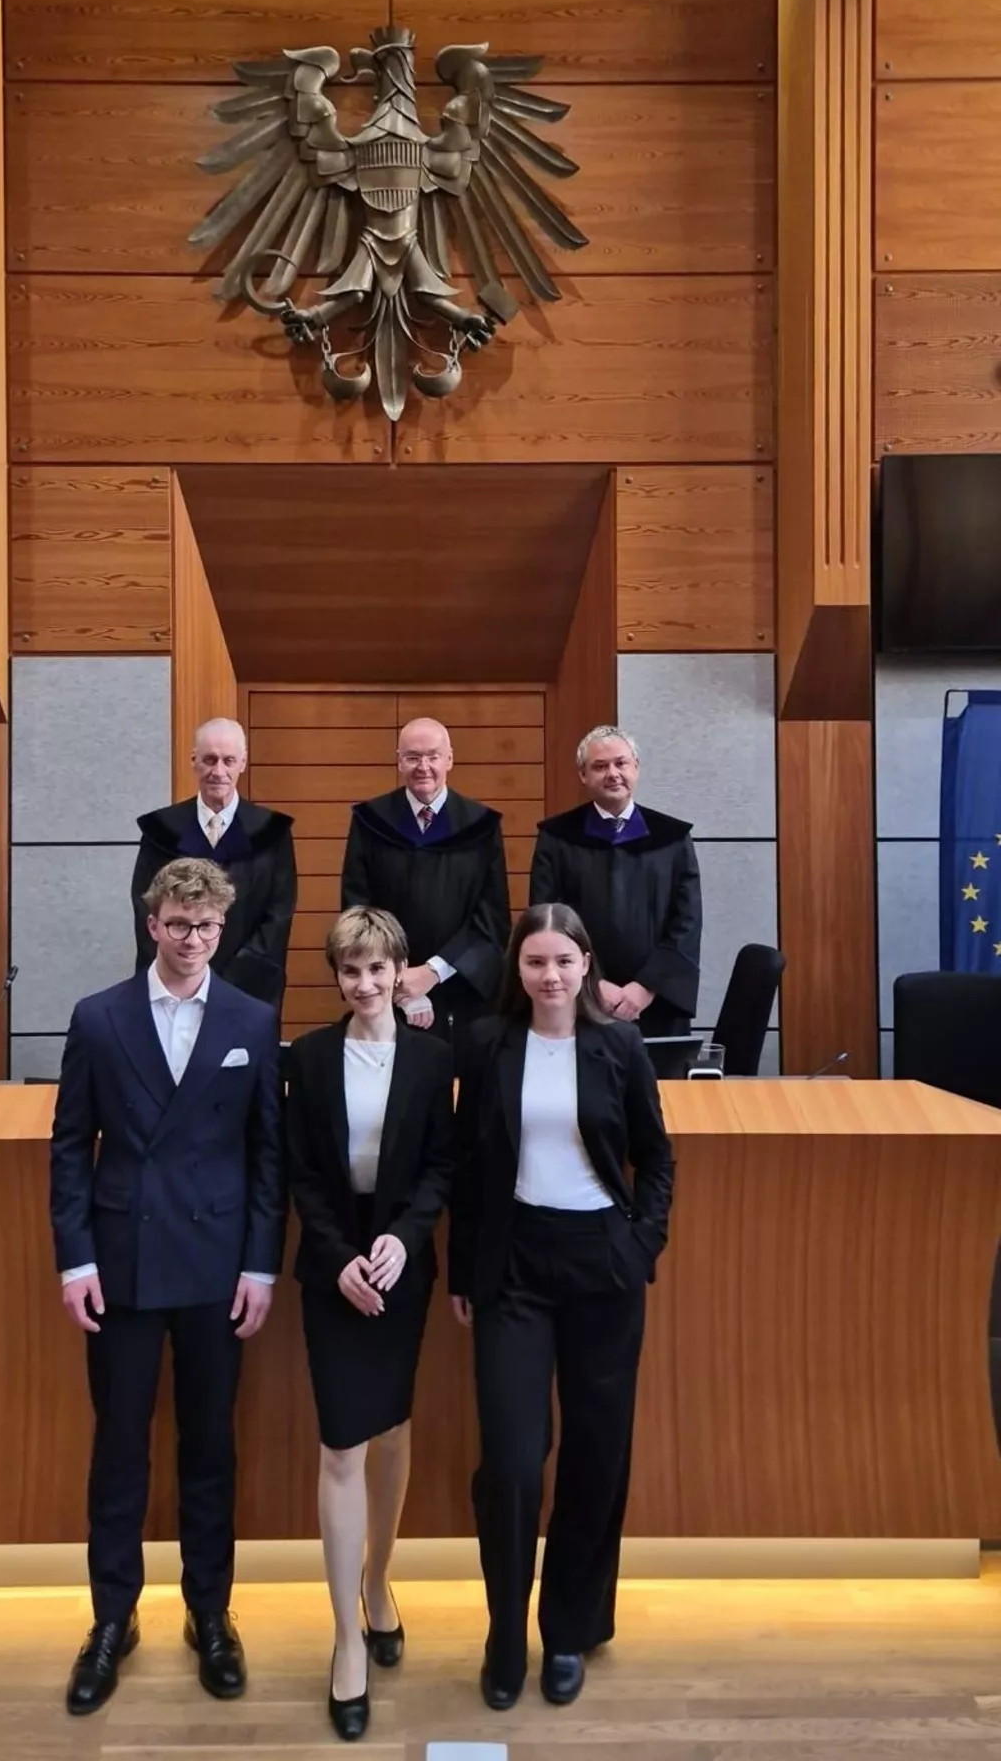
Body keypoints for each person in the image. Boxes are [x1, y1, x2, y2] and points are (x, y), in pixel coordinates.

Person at [50, 856, 285, 1717]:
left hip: (218, 1268)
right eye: (180, 925)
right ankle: (112, 1619)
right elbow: (72, 1146)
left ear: (223, 931)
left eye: (208, 928)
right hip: (121, 1267)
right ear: (153, 924)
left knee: (209, 1445)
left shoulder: (253, 1021)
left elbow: (269, 1156)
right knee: (118, 1449)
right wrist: (74, 1260)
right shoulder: (100, 1018)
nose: (193, 940)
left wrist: (262, 1263)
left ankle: (209, 1612)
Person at [449, 902, 674, 1714]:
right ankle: (505, 1629)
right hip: (513, 1268)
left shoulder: (618, 1045)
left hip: (602, 1268)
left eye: (564, 961)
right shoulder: (485, 1043)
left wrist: (639, 1244)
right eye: (535, 961)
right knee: (510, 1462)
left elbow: (655, 1157)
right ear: (518, 968)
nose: (550, 975)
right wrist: (463, 1275)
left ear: (586, 967)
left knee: (594, 1456)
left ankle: (570, 1628)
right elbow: (469, 1167)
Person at [285, 908, 453, 1742]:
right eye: (350, 971)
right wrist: (339, 1253)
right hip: (333, 1269)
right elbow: (302, 1174)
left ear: (399, 972)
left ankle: (380, 1583)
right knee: (340, 1442)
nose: (364, 984)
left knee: (390, 1429)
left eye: (377, 970)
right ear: (338, 977)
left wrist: (401, 1239)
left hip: (400, 1267)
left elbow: (440, 1167)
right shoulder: (310, 1059)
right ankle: (347, 1635)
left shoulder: (433, 1058)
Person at [341, 717, 510, 1039]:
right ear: (399, 761)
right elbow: (357, 912)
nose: (424, 766)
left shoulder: (481, 826)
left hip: (462, 991)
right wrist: (398, 980)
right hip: (387, 991)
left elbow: (492, 920)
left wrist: (433, 972)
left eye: (433, 756)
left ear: (449, 759)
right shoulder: (370, 822)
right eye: (413, 757)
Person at [529, 725, 701, 1035]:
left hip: (655, 1002)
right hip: (579, 999)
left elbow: (686, 923)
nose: (613, 773)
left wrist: (646, 986)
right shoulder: (557, 838)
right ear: (583, 775)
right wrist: (592, 984)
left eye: (621, 763)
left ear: (636, 767)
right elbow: (547, 921)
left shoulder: (672, 838)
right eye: (600, 766)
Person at [131, 717, 296, 1011]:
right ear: (194, 761)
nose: (218, 771)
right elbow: (147, 906)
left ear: (243, 763)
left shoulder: (271, 833)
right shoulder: (161, 832)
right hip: (174, 983)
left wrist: (230, 977)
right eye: (209, 760)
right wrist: (185, 969)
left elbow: (278, 915)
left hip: (250, 987)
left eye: (228, 760)